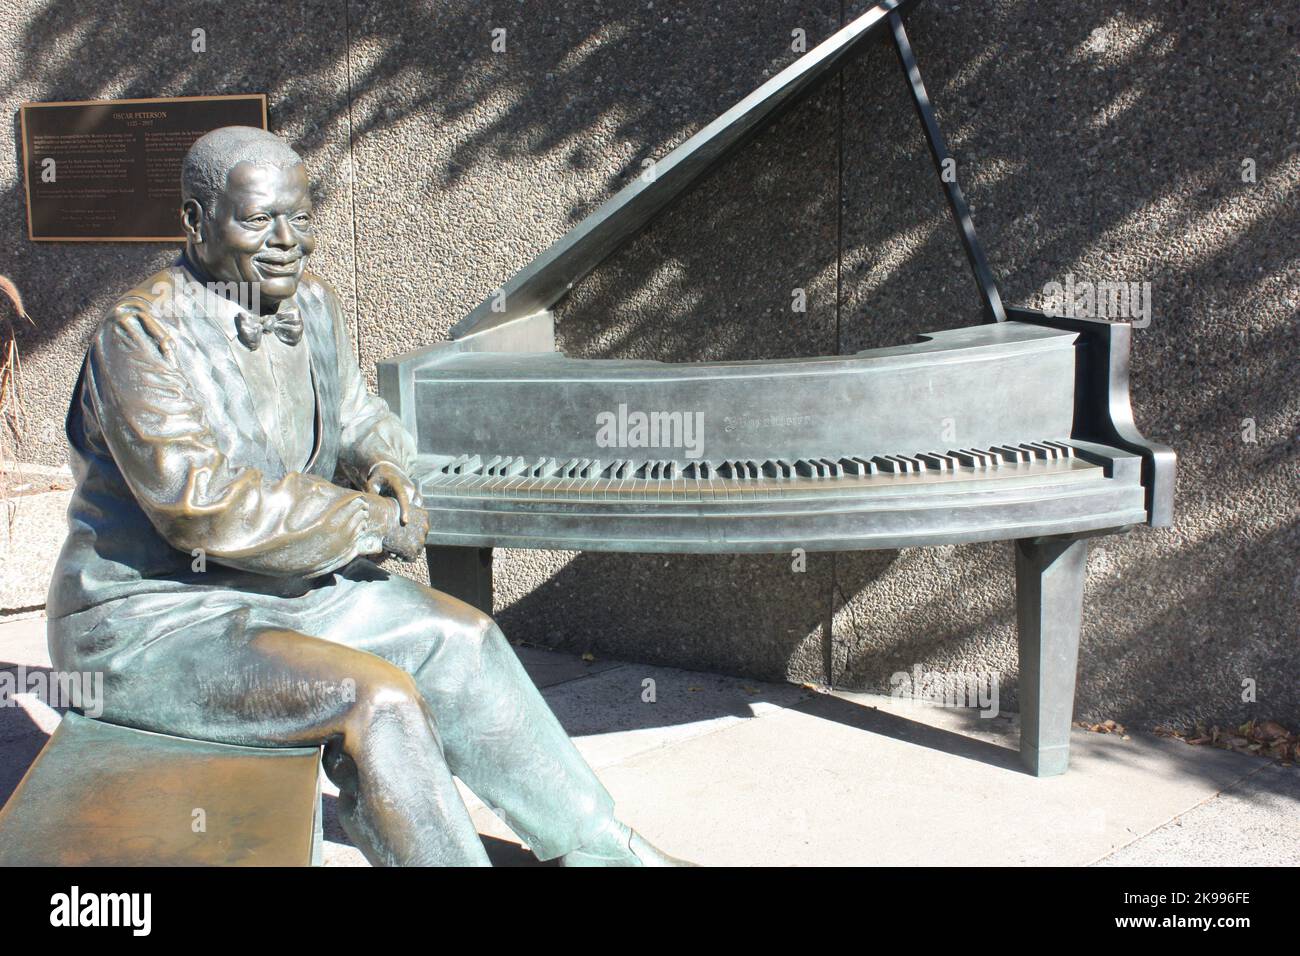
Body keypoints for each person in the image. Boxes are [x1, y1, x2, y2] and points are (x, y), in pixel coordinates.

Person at [46, 125, 686, 866]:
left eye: (302, 217)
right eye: (258, 220)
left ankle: (600, 849)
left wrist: (386, 464)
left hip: (285, 590)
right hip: (150, 622)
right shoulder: (140, 335)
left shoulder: (310, 304)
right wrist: (368, 521)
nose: (288, 241)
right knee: (375, 701)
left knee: (463, 640)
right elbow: (202, 505)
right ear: (196, 224)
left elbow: (357, 416)